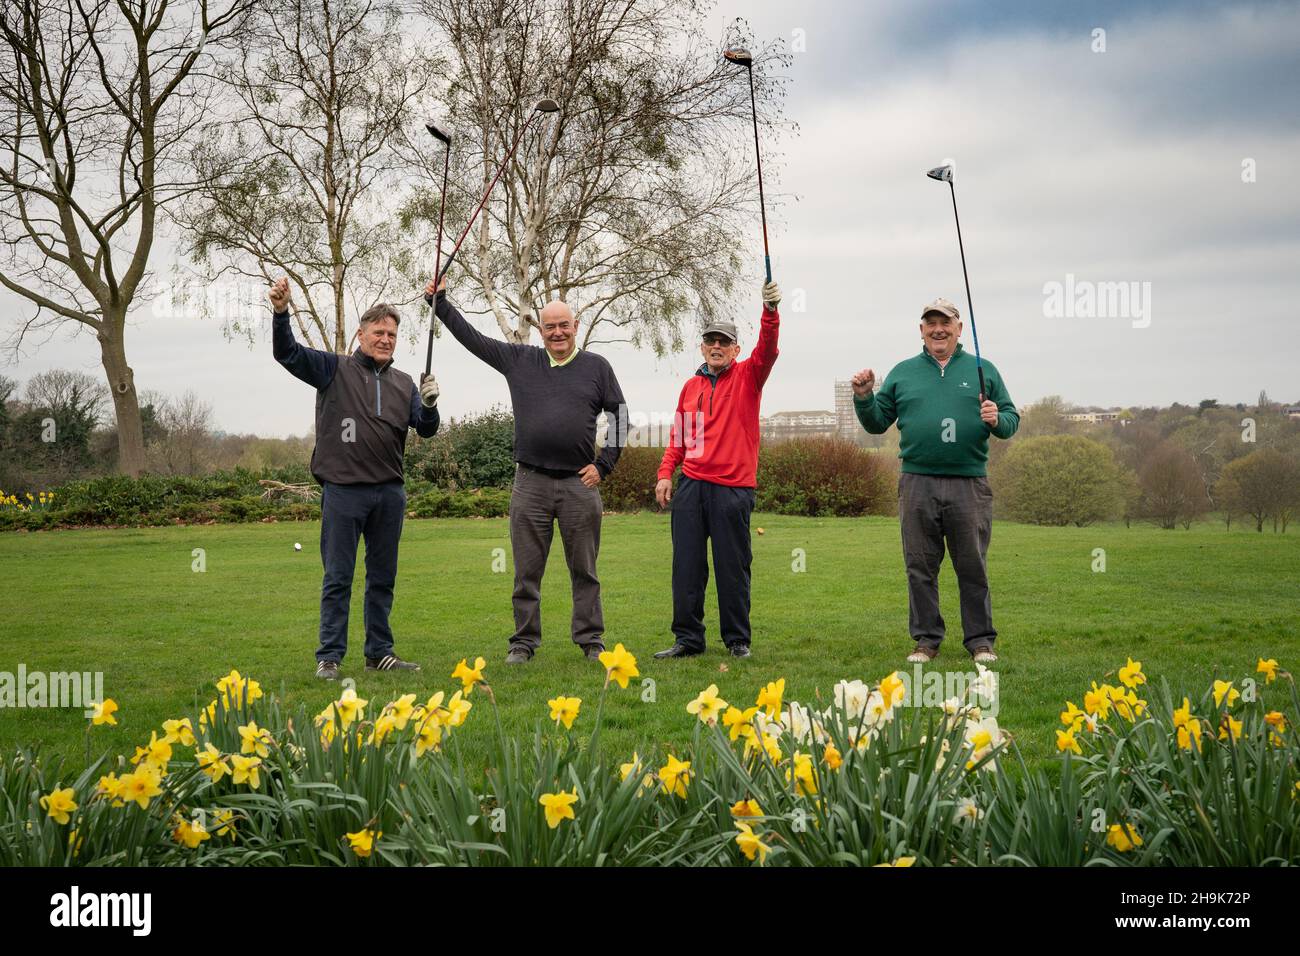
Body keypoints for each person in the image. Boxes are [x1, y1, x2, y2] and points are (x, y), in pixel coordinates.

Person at [424, 277, 626, 664]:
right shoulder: (521, 360)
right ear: (541, 330)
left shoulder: (596, 367)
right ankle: (523, 643)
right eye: (550, 326)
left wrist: (604, 465)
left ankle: (590, 641)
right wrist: (441, 303)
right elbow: (474, 340)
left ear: (575, 327)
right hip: (530, 483)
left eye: (563, 325)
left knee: (585, 570)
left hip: (578, 486)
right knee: (526, 573)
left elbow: (620, 416)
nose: (557, 332)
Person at [270, 277, 440, 679]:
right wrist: (281, 313)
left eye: (392, 334)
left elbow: (426, 428)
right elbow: (288, 354)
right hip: (344, 492)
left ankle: (379, 652)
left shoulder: (404, 384)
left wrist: (431, 405)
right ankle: (329, 657)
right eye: (378, 332)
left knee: (382, 579)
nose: (385, 339)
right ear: (361, 335)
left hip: (389, 493)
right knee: (338, 578)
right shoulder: (334, 369)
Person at [852, 297, 1019, 664]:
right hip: (917, 483)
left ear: (959, 328)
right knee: (920, 565)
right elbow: (878, 422)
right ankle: (926, 641)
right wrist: (864, 397)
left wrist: (996, 418)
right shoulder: (903, 372)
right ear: (921, 330)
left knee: (972, 565)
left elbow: (1010, 420)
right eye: (930, 323)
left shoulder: (983, 369)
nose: (938, 329)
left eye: (945, 322)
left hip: (969, 484)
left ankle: (980, 641)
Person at [652, 280, 782, 660]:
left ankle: (737, 640)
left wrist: (770, 311)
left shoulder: (748, 377)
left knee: (733, 568)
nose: (717, 347)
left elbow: (768, 348)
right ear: (703, 346)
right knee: (687, 568)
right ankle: (688, 639)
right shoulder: (691, 386)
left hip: (732, 489)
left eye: (724, 342)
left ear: (735, 349)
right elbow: (680, 436)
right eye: (711, 341)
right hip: (691, 485)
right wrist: (665, 472)